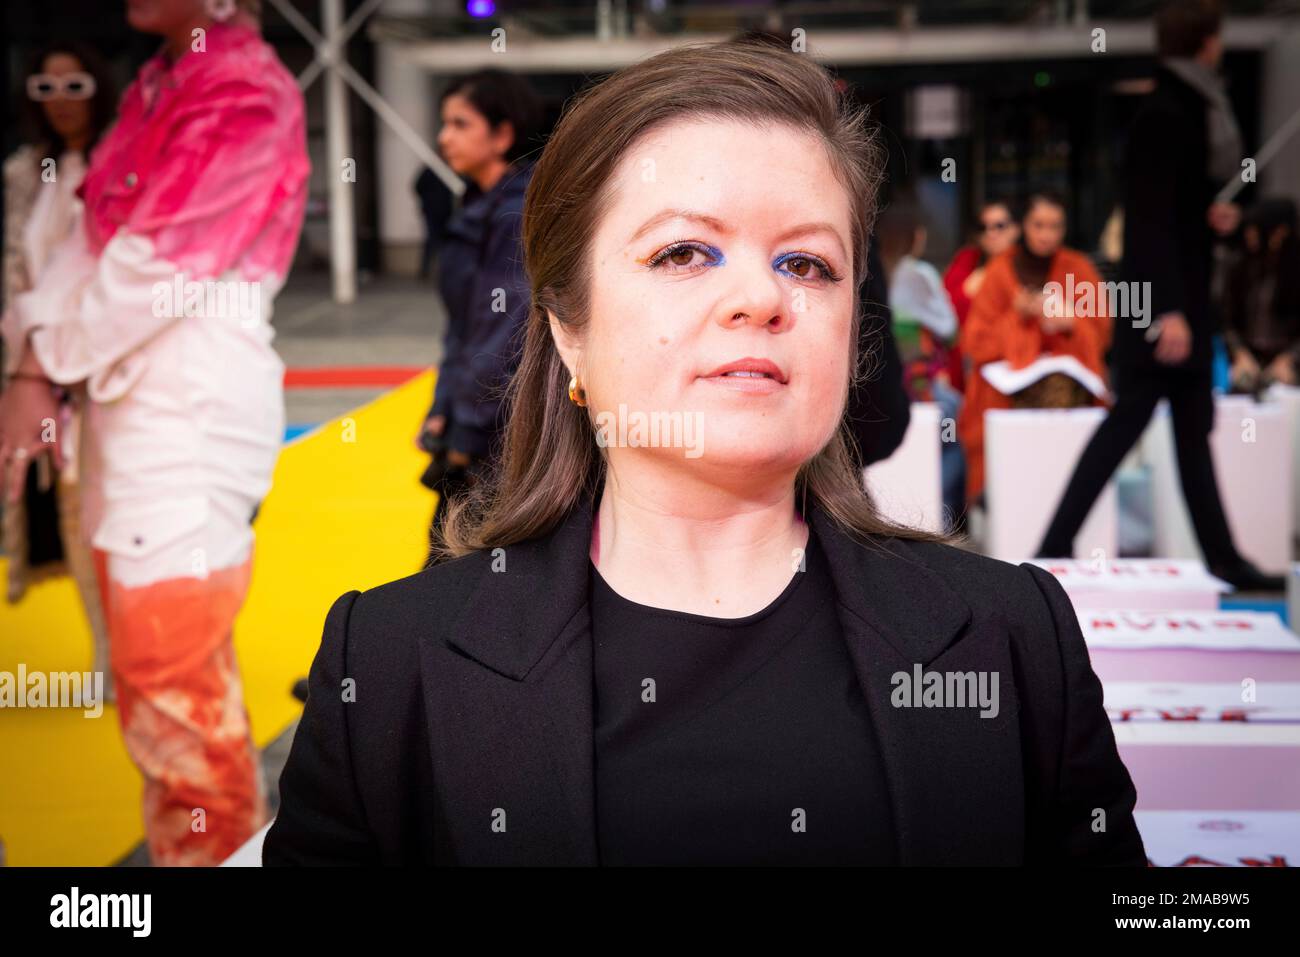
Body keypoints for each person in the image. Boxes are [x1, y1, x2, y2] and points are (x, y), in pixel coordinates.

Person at [264, 38, 1143, 867]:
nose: (760, 295)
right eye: (685, 251)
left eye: (807, 264)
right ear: (569, 331)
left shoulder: (1014, 638)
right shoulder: (385, 667)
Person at [0, 0, 309, 865]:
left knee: (174, 687)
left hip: (183, 407)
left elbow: (158, 261)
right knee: (152, 681)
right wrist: (38, 362)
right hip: (130, 403)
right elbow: (93, 245)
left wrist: (38, 361)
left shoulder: (239, 85)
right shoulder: (161, 79)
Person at [1037, 0, 1282, 590]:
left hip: (1176, 302)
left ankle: (1219, 556)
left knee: (1180, 428)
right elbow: (1148, 222)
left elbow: (1170, 213)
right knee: (1136, 424)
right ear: (1208, 42)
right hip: (1167, 306)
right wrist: (1166, 312)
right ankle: (1058, 544)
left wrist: (1211, 217)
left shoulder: (1183, 109)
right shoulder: (1170, 113)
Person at [2, 40, 116, 692]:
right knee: (70, 511)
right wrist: (25, 366)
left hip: (105, 365)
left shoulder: (124, 160)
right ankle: (103, 648)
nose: (63, 103)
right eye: (48, 89)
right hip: (41, 368)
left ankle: (131, 647)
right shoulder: (24, 173)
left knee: (115, 510)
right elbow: (20, 276)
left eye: (75, 87)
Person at [414, 69, 541, 564]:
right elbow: (463, 328)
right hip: (479, 417)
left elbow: (503, 327)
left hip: (502, 427)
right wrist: (444, 405)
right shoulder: (480, 203)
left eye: (460, 124)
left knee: (464, 565)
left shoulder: (515, 212)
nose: (445, 137)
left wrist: (466, 430)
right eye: (444, 124)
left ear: (502, 135)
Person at [958, 192, 1111, 505]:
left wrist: (1071, 324)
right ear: (1023, 226)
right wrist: (1018, 315)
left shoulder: (1078, 268)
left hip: (1069, 392)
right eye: (1038, 225)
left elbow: (1101, 336)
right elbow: (976, 342)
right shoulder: (1000, 272)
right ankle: (1001, 499)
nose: (1046, 235)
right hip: (1006, 392)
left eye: (1055, 226)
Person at [875, 198, 964, 527]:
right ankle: (941, 517)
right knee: (955, 435)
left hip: (888, 386)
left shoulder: (874, 272)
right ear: (914, 236)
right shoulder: (918, 273)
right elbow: (949, 328)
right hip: (922, 383)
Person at [1222, 198, 1300, 393]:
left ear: (1279, 232)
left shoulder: (1295, 271)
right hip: (1250, 356)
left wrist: (1289, 359)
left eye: (1255, 229)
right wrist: (1240, 354)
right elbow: (1227, 320)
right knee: (1241, 389)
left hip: (1288, 360)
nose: (1250, 235)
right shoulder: (1241, 267)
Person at [942, 200, 1020, 393]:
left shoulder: (1024, 265)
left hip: (1009, 365)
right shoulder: (967, 259)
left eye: (999, 226)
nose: (991, 233)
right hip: (962, 369)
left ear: (1016, 229)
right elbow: (945, 310)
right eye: (983, 227)